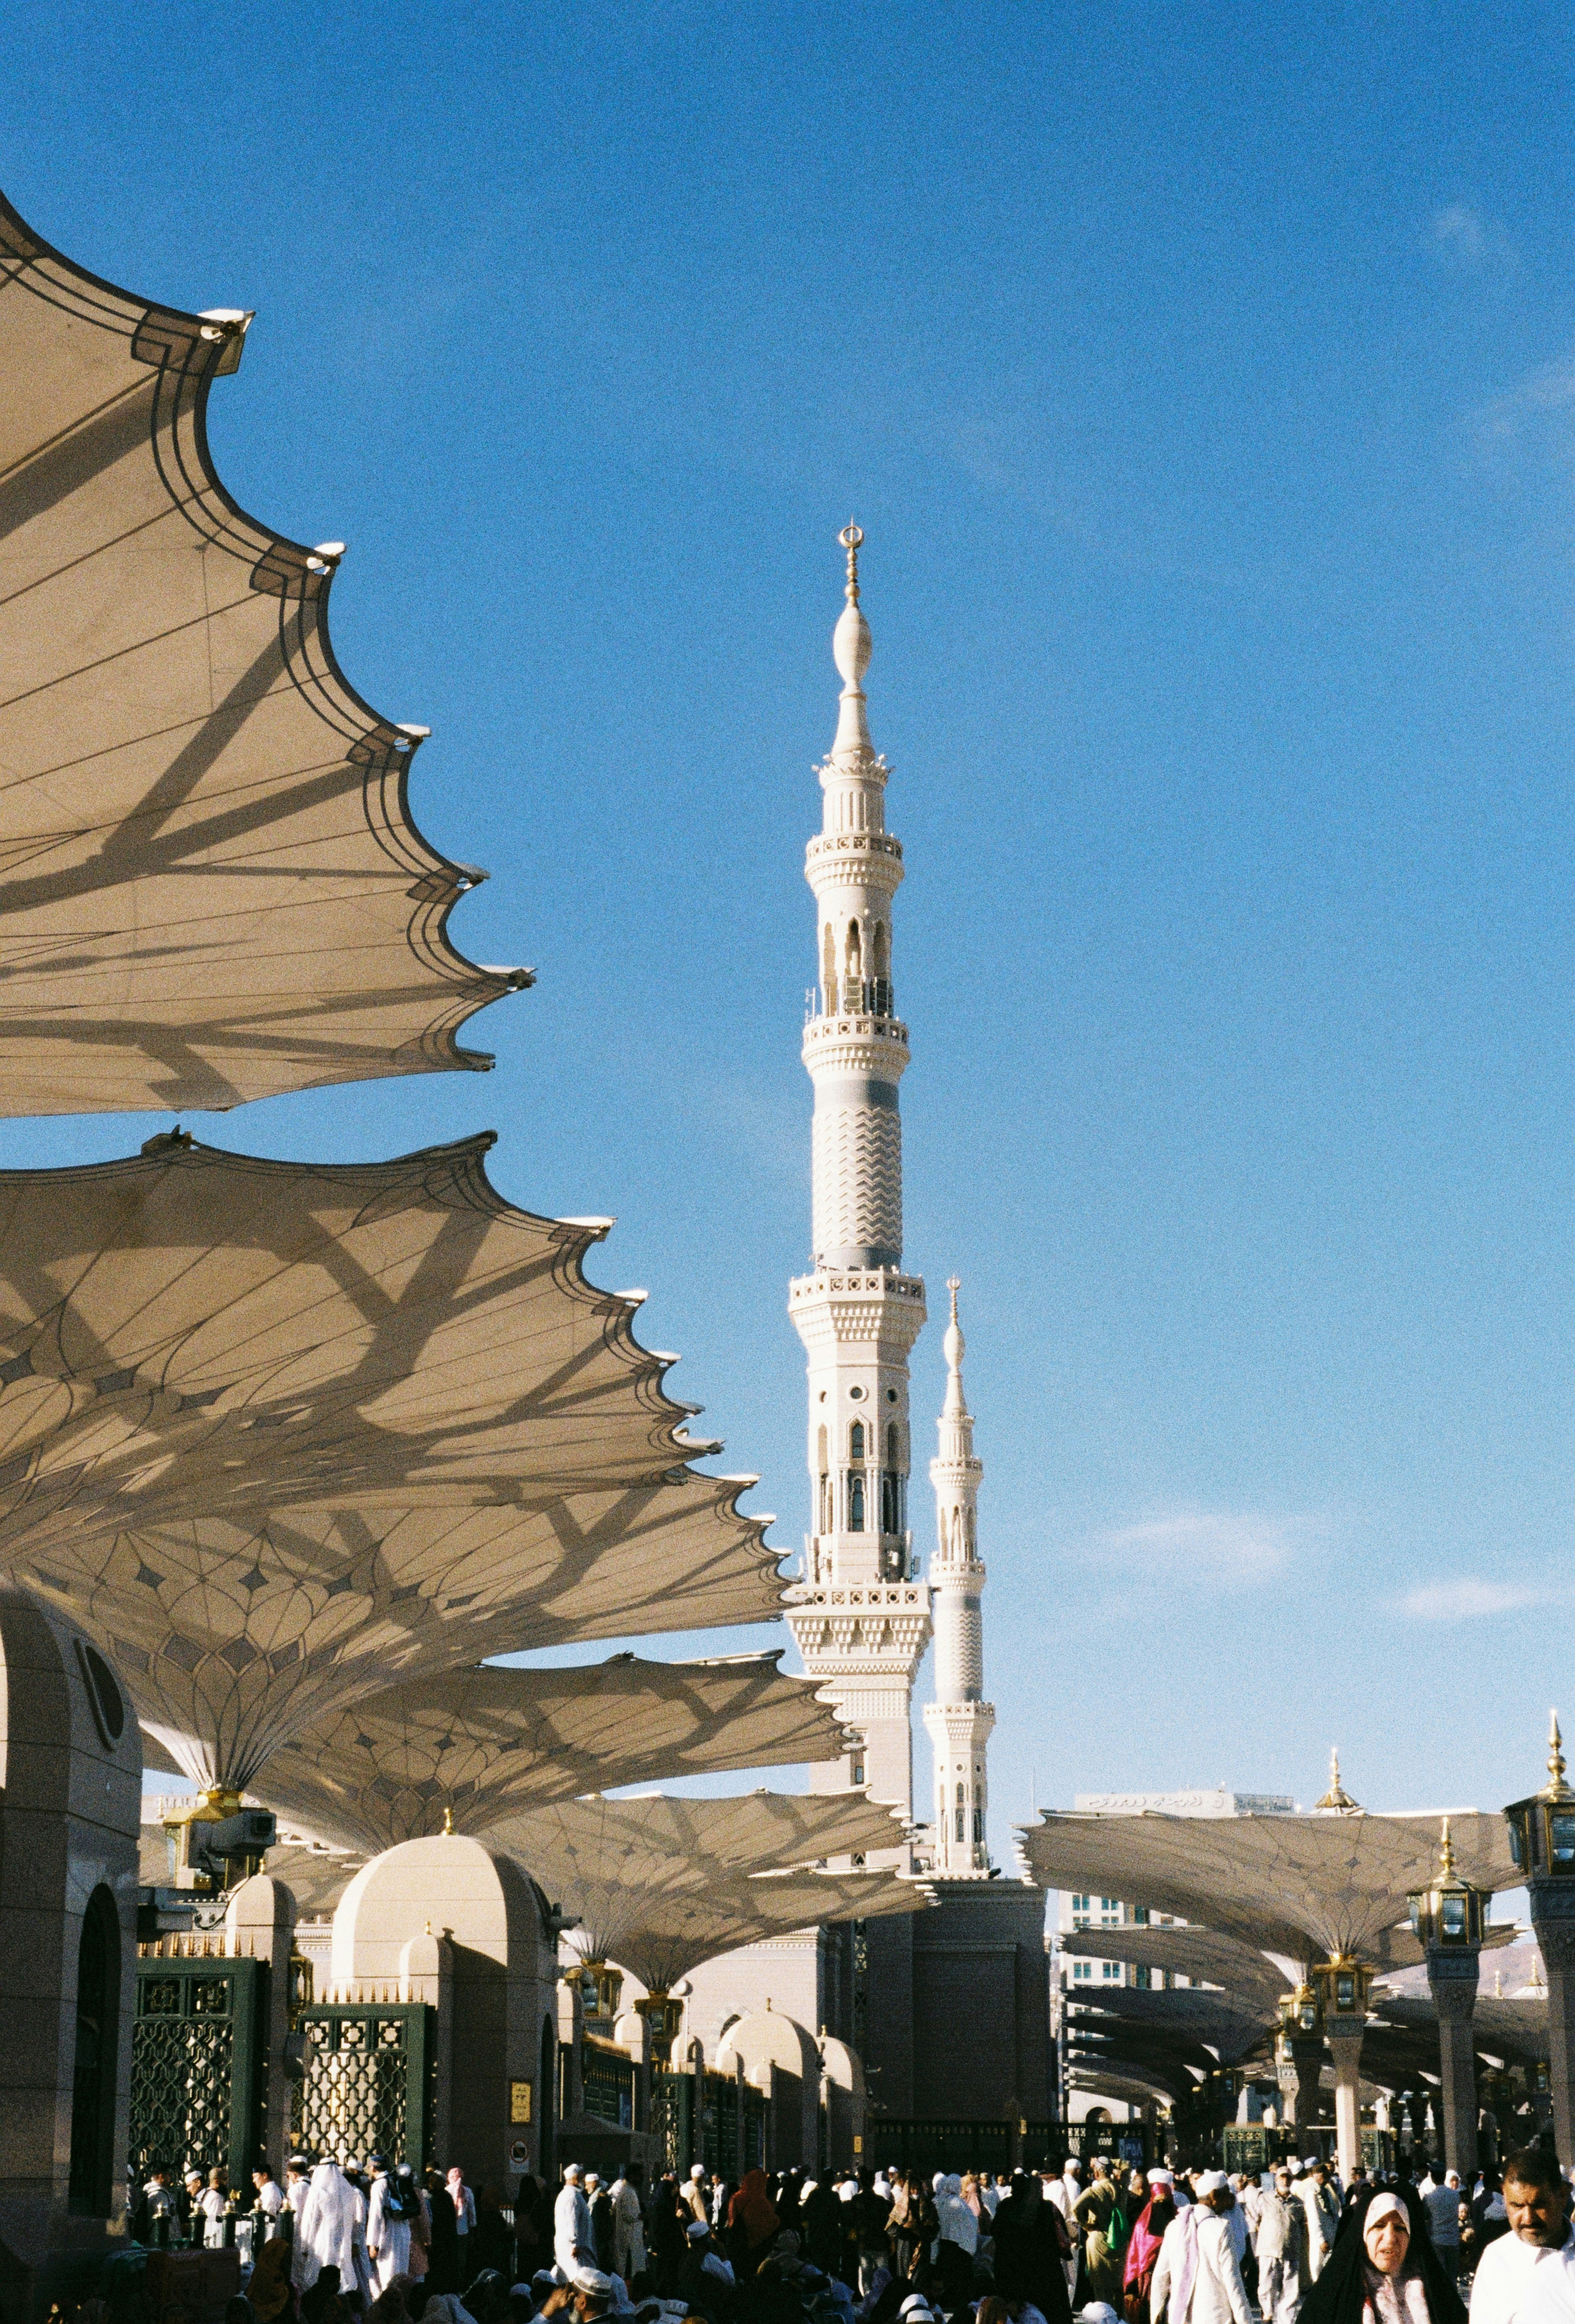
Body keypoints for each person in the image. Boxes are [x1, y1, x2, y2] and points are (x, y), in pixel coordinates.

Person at [1298, 2188, 1465, 2324]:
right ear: (1364, 2235)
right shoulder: (1332, 2299)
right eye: (1379, 2226)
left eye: (1400, 2228)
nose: (1390, 2238)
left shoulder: (1437, 2295)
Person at [1469, 2150, 1575, 2324]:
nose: (1528, 2218)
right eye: (1517, 2206)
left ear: (1562, 2195)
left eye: (1539, 2205)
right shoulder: (1497, 2260)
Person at [1150, 2171, 1253, 2324]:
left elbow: (1160, 2277)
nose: (1229, 2199)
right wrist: (1246, 2321)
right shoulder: (1221, 2229)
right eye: (1226, 2194)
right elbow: (1233, 2282)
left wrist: (1156, 2318)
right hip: (1214, 2317)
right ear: (1214, 2195)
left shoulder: (1175, 2226)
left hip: (1180, 2317)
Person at [296, 2164, 363, 2300]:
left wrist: (305, 2245)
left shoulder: (317, 2192)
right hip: (343, 2238)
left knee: (320, 2271)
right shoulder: (348, 2191)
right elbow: (355, 2220)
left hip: (322, 2238)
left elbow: (310, 2221)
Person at [1255, 2164, 1308, 2324]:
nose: (1285, 2180)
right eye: (1282, 2177)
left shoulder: (1298, 2203)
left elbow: (1302, 2225)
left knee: (1291, 2288)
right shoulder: (1264, 2199)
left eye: (1288, 2177)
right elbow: (1257, 2221)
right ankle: (1268, 2315)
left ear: (1292, 2180)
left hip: (1291, 2249)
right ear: (1276, 2179)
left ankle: (1287, 2320)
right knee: (1266, 2285)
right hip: (1268, 2248)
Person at [1123, 2176, 1177, 2324]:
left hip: (1175, 2279)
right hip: (1148, 2283)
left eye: (1165, 2202)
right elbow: (1134, 2256)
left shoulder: (1179, 2223)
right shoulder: (1143, 2227)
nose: (1162, 2206)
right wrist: (1132, 2289)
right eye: (1158, 2202)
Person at [369, 2156, 413, 2295]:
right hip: (404, 2232)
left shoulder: (379, 2185)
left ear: (373, 2168)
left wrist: (373, 2243)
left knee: (388, 2274)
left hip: (388, 2235)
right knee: (401, 2273)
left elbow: (376, 2215)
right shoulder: (398, 2181)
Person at [724, 2171, 779, 2281]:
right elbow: (773, 2223)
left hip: (738, 2242)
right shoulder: (761, 2201)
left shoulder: (736, 2197)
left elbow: (731, 2219)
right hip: (758, 2246)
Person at [1298, 2168, 1339, 2288]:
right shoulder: (1312, 2193)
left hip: (1332, 2233)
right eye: (1324, 2176)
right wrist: (1321, 2239)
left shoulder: (1326, 2190)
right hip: (1320, 2237)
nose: (1326, 2178)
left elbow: (1334, 2212)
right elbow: (1314, 2218)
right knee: (1318, 2268)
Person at [1427, 2176, 1464, 2283]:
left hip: (1438, 2240)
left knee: (1441, 2274)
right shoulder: (1456, 2195)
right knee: (1452, 2275)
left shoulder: (1430, 2197)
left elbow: (1426, 2217)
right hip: (1453, 2239)